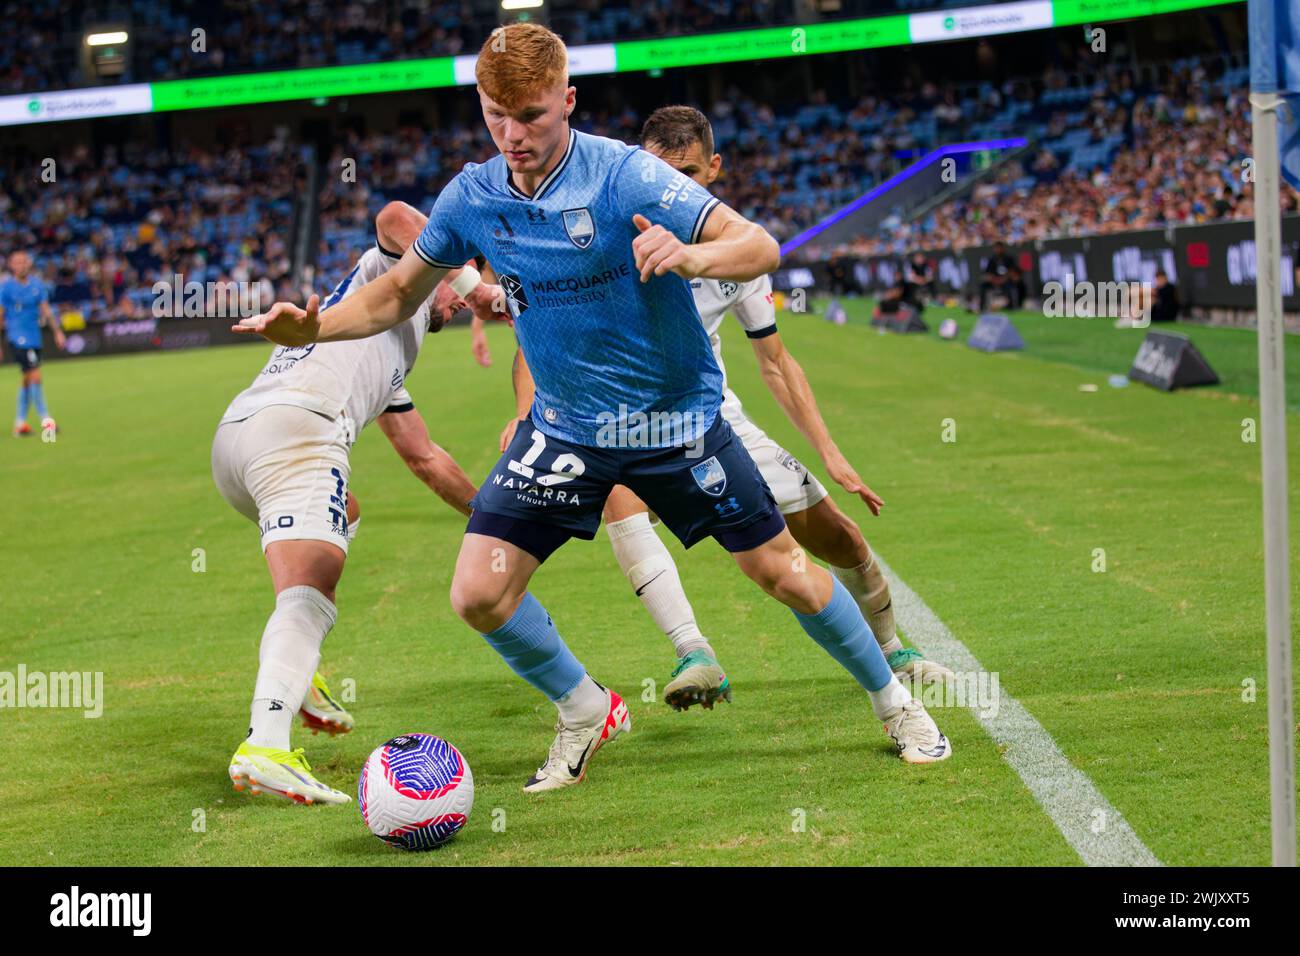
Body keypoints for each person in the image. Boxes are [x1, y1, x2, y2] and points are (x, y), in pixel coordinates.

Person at [235, 24, 951, 793]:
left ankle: (895, 702)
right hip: (566, 430)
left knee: (785, 575)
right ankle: (585, 710)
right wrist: (315, 326)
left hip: (674, 421)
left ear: (568, 100)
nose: (513, 135)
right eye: (495, 115)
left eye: (533, 115)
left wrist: (691, 254)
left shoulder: (626, 176)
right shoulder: (472, 197)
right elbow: (392, 294)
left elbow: (758, 243)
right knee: (478, 592)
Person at [502, 106, 954, 712]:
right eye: (661, 172)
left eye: (688, 172)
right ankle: (693, 653)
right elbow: (541, 340)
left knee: (832, 538)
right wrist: (527, 412)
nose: (674, 188)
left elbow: (775, 361)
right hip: (617, 419)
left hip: (711, 415)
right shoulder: (601, 234)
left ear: (713, 168)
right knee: (618, 496)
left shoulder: (736, 248)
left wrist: (831, 453)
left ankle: (893, 647)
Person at [215, 201, 496, 805]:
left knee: (345, 519)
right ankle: (265, 744)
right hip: (299, 432)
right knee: (310, 591)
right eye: (458, 283)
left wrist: (493, 519)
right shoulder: (399, 275)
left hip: (240, 439)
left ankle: (300, 676)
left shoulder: (393, 339)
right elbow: (396, 215)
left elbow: (425, 457)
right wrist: (472, 283)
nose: (459, 305)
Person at [0, 251, 64, 437]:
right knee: (35, 375)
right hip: (17, 338)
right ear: (11, 266)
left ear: (29, 264)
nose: (21, 265)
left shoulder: (37, 285)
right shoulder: (6, 288)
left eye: (24, 262)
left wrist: (57, 331)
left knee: (27, 380)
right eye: (17, 263)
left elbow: (46, 310)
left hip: (34, 337)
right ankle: (47, 422)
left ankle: (19, 424)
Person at [978, 242, 1017, 312]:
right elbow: (988, 273)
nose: (998, 250)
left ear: (1003, 249)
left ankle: (1010, 307)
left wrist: (1003, 279)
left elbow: (1012, 272)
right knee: (983, 286)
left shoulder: (1009, 259)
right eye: (996, 248)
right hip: (994, 281)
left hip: (1006, 280)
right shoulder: (991, 259)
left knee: (1010, 286)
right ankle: (981, 307)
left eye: (999, 248)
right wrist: (994, 280)